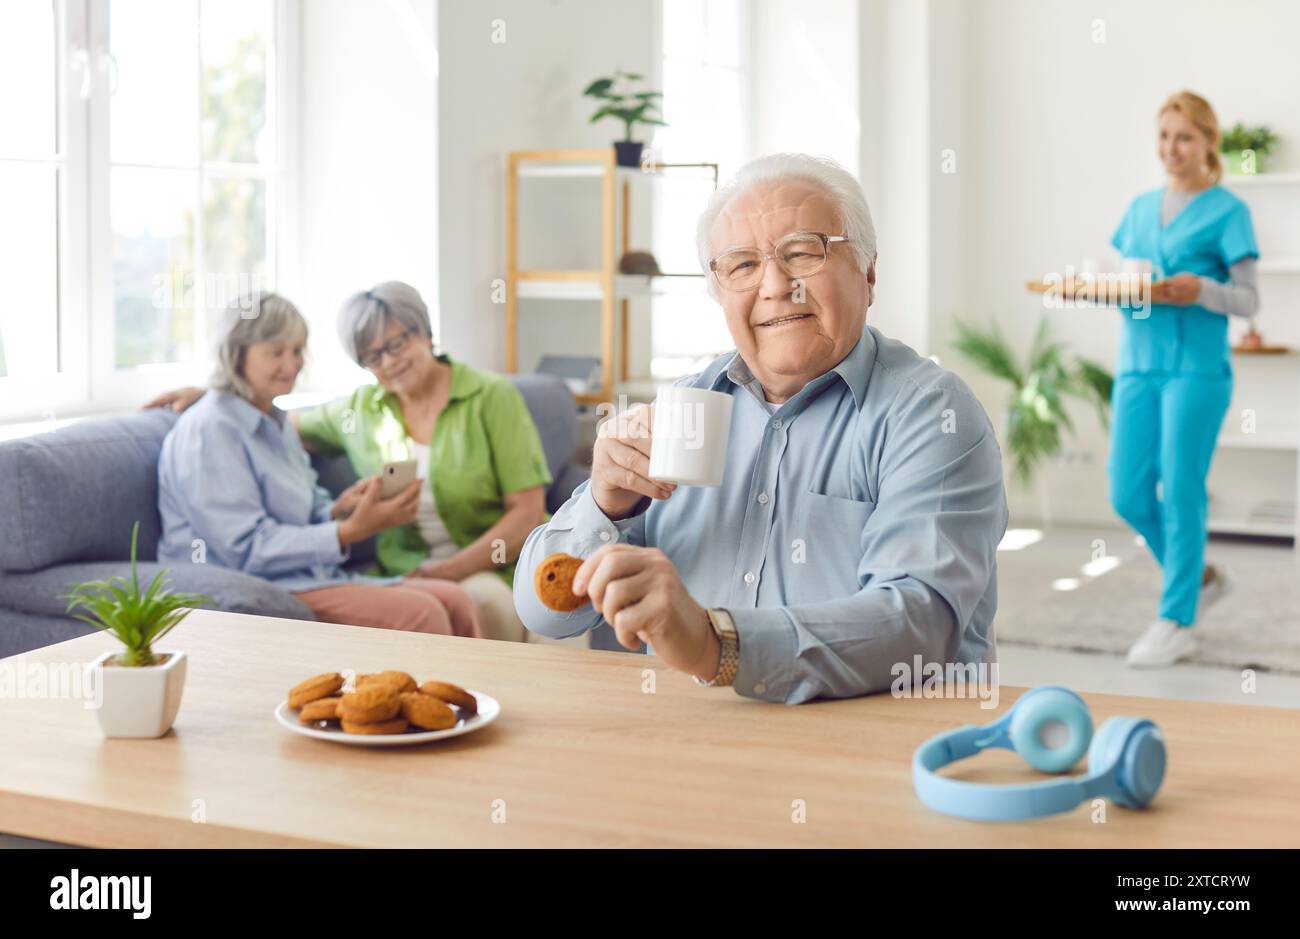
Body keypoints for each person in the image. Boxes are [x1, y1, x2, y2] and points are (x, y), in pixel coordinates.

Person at [513, 153, 1009, 704]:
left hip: (882, 750)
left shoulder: (930, 413)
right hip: (695, 742)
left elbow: (919, 622)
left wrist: (716, 644)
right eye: (742, 265)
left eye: (802, 253)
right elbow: (543, 613)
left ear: (868, 273)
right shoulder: (686, 408)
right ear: (720, 290)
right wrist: (605, 506)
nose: (775, 285)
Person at [149, 282, 552, 642]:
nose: (291, 366)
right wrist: (346, 532)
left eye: (296, 351)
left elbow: (307, 509)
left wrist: (339, 509)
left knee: (458, 602)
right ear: (235, 357)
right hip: (258, 577)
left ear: (426, 333)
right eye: (276, 353)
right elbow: (245, 548)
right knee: (425, 610)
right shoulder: (208, 431)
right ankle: (420, 721)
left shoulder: (274, 422)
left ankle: (470, 713)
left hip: (309, 572)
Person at [1108, 91, 1260, 668]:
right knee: (1125, 491)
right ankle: (1199, 578)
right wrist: (1105, 293)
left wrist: (1200, 289)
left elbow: (1248, 301)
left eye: (1185, 137)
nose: (1172, 149)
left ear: (1208, 143)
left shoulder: (1228, 212)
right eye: (1164, 136)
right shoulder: (1140, 208)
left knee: (1181, 487)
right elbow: (1131, 288)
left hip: (1196, 372)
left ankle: (1177, 620)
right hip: (1138, 367)